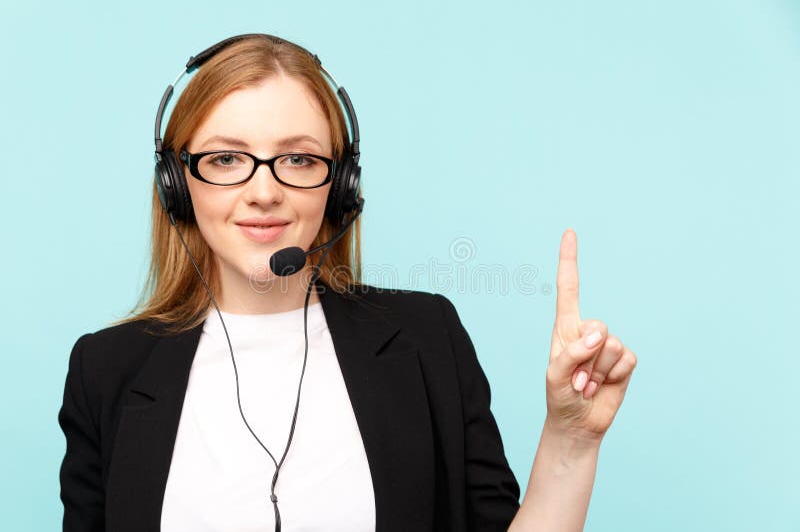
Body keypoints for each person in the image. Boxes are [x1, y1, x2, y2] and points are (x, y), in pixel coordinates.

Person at [58, 33, 638, 532]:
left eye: (300, 159)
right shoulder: (105, 370)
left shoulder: (427, 338)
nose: (264, 191)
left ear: (341, 187)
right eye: (227, 158)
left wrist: (571, 439)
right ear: (176, 183)